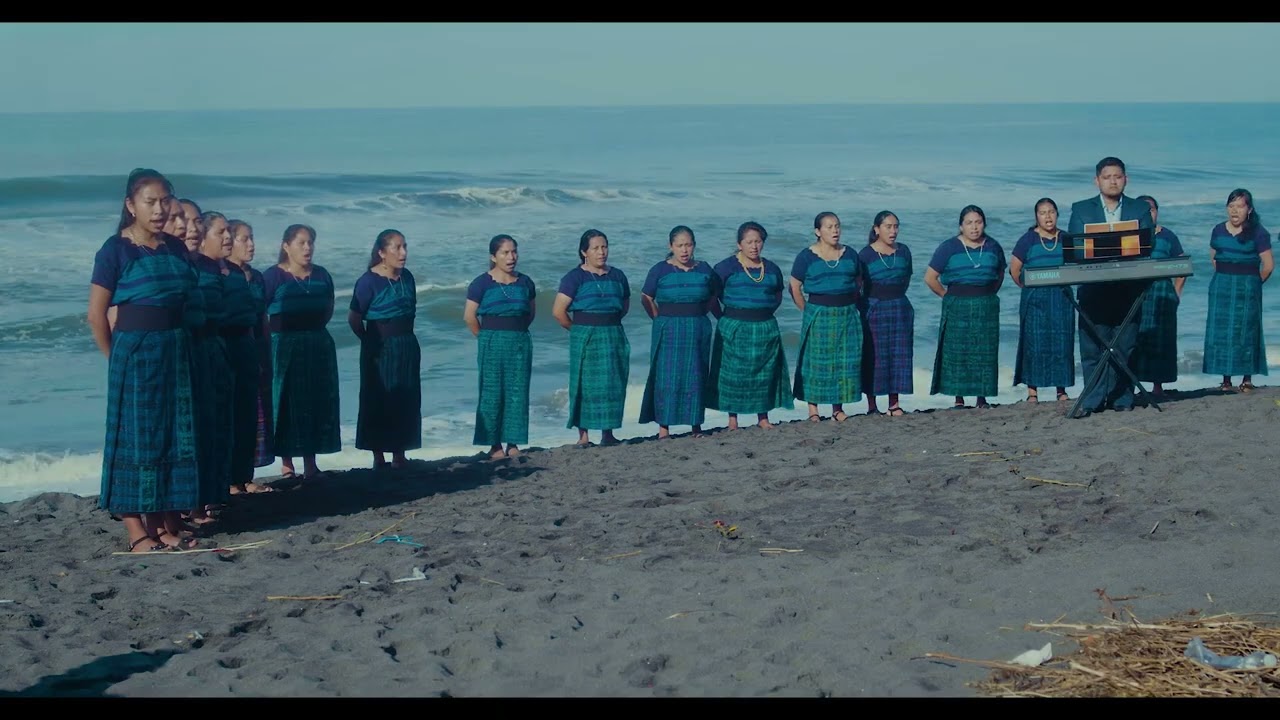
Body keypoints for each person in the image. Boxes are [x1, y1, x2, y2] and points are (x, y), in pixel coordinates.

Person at [88, 168, 198, 553]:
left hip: (175, 353)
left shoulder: (175, 248)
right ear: (130, 205)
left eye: (164, 200)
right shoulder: (114, 250)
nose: (159, 208)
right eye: (150, 201)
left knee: (171, 438)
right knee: (134, 442)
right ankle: (137, 532)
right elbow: (96, 315)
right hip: (134, 355)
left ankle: (164, 525)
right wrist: (115, 357)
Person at [1065, 156, 1155, 414]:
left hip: (1129, 286)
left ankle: (1122, 399)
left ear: (1125, 179)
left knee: (1126, 344)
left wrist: (1111, 247)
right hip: (1093, 287)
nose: (1113, 181)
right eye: (1107, 177)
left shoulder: (1139, 208)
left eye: (1117, 176)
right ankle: (1093, 399)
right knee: (1093, 345)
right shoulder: (1081, 209)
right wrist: (1111, 247)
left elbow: (1148, 245)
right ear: (1097, 181)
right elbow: (1076, 247)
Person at [262, 224, 341, 479]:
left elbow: (329, 307)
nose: (308, 248)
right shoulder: (273, 277)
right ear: (286, 246)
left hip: (317, 345)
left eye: (311, 243)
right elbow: (259, 314)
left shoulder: (322, 275)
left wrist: (313, 332)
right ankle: (287, 463)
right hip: (284, 345)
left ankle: (311, 462)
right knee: (284, 401)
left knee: (315, 402)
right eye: (301, 243)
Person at [706, 221, 792, 429]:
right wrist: (725, 319)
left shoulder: (771, 268)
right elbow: (711, 298)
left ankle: (763, 418)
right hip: (734, 327)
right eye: (749, 242)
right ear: (739, 244)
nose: (754, 246)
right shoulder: (724, 268)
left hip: (764, 327)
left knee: (764, 375)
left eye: (758, 241)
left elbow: (778, 295)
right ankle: (732, 420)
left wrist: (764, 313)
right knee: (732, 375)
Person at [639, 225, 720, 439]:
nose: (684, 250)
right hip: (668, 328)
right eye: (680, 245)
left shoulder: (704, 269)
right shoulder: (660, 269)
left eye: (688, 245)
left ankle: (695, 426)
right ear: (671, 246)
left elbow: (714, 295)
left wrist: (703, 312)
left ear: (694, 246)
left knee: (696, 374)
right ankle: (664, 429)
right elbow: (646, 297)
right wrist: (659, 320)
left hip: (697, 327)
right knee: (666, 377)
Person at [350, 229, 422, 468]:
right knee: (379, 398)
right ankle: (378, 455)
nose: (403, 253)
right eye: (397, 247)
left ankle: (400, 454)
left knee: (406, 397)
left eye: (404, 247)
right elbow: (354, 319)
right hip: (379, 346)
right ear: (382, 253)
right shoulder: (368, 281)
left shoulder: (407, 277)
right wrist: (372, 343)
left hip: (407, 344)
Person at [552, 229, 631, 448]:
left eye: (604, 246)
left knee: (612, 383)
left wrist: (607, 323)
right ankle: (583, 436)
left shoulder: (618, 275)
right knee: (584, 384)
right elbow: (559, 312)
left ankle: (608, 434)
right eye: (595, 248)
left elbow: (624, 306)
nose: (601, 252)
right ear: (584, 252)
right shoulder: (574, 277)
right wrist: (578, 331)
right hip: (585, 334)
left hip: (613, 333)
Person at [924, 205, 1007, 409]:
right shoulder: (948, 247)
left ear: (984, 224)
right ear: (961, 226)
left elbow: (1000, 274)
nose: (974, 227)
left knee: (983, 353)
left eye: (978, 222)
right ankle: (958, 399)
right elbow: (930, 278)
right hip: (957, 304)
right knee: (957, 354)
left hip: (986, 305)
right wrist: (947, 296)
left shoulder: (993, 246)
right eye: (969, 223)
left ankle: (982, 398)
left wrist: (987, 293)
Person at [464, 234, 536, 459]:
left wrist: (516, 334)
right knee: (492, 392)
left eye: (514, 251)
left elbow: (530, 313)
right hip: (491, 341)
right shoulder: (481, 283)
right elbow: (469, 317)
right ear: (493, 257)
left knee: (517, 392)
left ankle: (513, 443)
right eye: (505, 252)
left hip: (519, 341)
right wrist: (485, 338)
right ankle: (494, 445)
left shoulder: (525, 282)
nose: (511, 256)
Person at [789, 211, 864, 422]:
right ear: (818, 231)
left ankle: (837, 408)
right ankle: (813, 409)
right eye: (829, 227)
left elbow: (858, 282)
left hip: (846, 313)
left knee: (841, 361)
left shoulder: (850, 254)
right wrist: (807, 310)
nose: (835, 230)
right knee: (816, 362)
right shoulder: (806, 256)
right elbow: (795, 286)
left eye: (837, 226)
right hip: (818, 312)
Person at [1203, 188, 1272, 392]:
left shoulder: (1259, 233)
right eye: (1231, 206)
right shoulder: (1218, 230)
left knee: (1246, 332)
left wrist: (1252, 284)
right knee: (1221, 332)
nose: (1234, 211)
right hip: (1221, 286)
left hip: (1247, 288)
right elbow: (1214, 259)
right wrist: (1226, 277)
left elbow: (1268, 266)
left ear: (1248, 209)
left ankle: (1247, 379)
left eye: (1240, 206)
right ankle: (1225, 380)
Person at [224, 219, 274, 493]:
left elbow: (263, 320)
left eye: (252, 238)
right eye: (245, 239)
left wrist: (266, 354)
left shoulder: (257, 277)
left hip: (254, 347)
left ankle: (246, 476)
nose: (251, 244)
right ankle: (231, 479)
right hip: (232, 347)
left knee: (252, 413)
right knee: (232, 413)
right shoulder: (225, 274)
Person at [1009, 198, 1075, 404]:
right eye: (1043, 213)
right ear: (1036, 216)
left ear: (1057, 214)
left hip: (1061, 298)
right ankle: (1032, 391)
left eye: (1051, 212)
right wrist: (1027, 287)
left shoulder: (1065, 238)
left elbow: (1076, 267)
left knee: (1061, 343)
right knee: (1034, 343)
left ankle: (1061, 390)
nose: (1048, 216)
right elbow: (1014, 270)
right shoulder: (1027, 239)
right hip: (1034, 299)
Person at [858, 211, 914, 416]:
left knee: (898, 356)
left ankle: (894, 403)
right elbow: (858, 286)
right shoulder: (865, 255)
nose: (893, 231)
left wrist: (896, 298)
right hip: (873, 307)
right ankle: (872, 405)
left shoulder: (904, 251)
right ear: (876, 229)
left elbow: (906, 278)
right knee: (873, 356)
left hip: (899, 307)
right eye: (888, 226)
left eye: (895, 226)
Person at [1131, 195, 1187, 396]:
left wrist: (1177, 292)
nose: (1148, 214)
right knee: (1134, 338)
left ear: (1157, 212)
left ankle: (1158, 387)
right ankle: (1134, 386)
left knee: (1162, 339)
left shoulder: (1167, 236)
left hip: (1163, 292)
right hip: (1135, 292)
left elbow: (1183, 265)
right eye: (1143, 211)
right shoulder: (1129, 236)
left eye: (1152, 210)